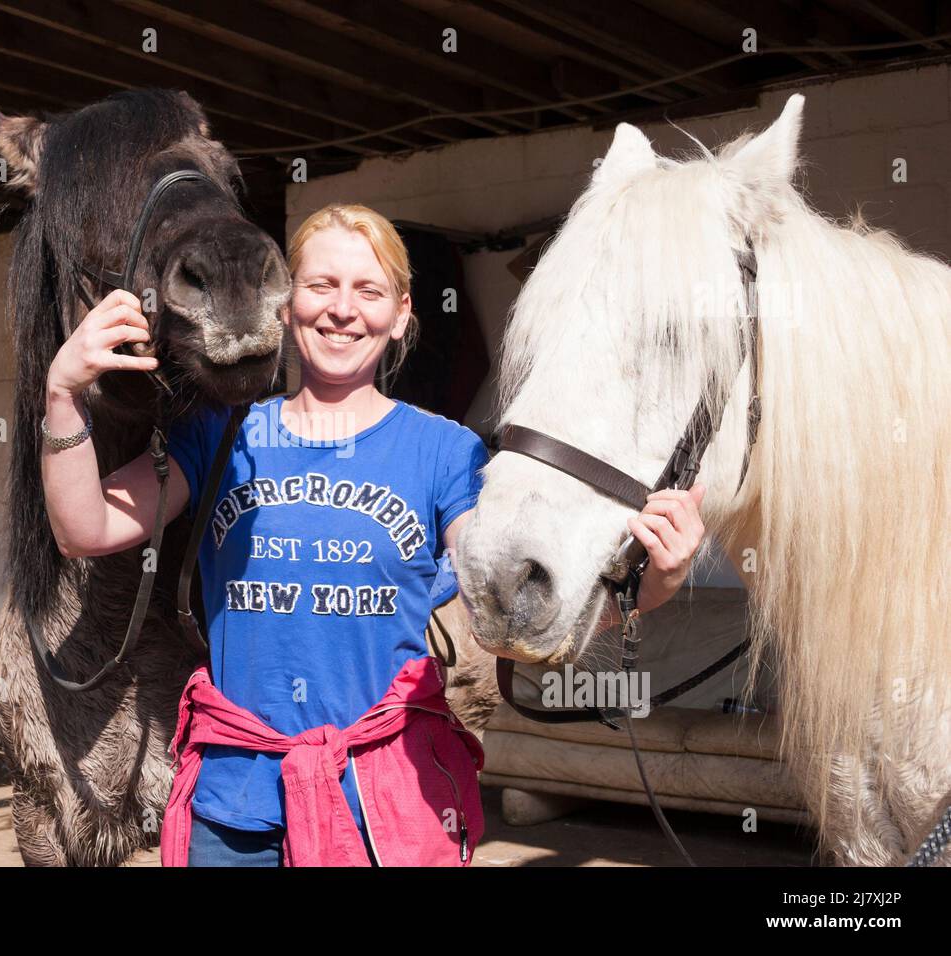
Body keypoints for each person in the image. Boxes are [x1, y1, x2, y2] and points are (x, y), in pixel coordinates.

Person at [39, 203, 706, 866]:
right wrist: (63, 393)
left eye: (368, 290)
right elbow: (83, 527)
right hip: (235, 797)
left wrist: (655, 586)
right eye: (320, 285)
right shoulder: (222, 433)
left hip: (384, 803)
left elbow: (506, 616)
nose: (342, 310)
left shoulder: (447, 454)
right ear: (284, 301)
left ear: (401, 314)